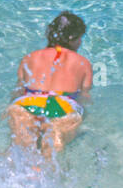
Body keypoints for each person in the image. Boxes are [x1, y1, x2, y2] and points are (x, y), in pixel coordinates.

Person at [5, 11, 93, 158]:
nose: (80, 42)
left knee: (21, 152)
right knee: (51, 154)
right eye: (80, 38)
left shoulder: (29, 58)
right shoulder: (83, 63)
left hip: (27, 103)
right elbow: (85, 97)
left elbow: (17, 91)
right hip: (63, 105)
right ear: (72, 38)